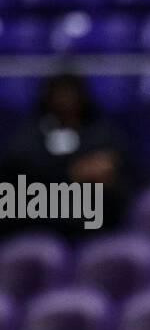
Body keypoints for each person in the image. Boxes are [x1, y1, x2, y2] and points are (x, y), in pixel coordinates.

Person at [0, 72, 133, 238]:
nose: (65, 99)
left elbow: (120, 166)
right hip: (41, 222)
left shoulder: (103, 133)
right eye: (59, 93)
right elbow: (15, 171)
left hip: (94, 222)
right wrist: (70, 173)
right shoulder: (28, 136)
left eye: (70, 92)